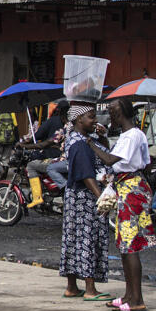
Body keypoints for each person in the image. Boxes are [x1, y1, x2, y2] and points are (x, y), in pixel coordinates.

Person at [105, 101, 152, 311]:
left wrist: (90, 143)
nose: (110, 118)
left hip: (131, 189)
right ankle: (129, 295)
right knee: (125, 244)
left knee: (130, 245)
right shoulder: (130, 135)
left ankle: (137, 299)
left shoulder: (132, 135)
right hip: (128, 186)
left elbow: (110, 159)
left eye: (111, 113)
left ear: (119, 113)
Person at [57, 111, 109, 300]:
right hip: (84, 197)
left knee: (73, 238)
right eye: (91, 117)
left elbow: (104, 154)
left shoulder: (85, 138)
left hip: (75, 197)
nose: (95, 121)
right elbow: (86, 174)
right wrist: (101, 197)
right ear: (79, 120)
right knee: (88, 238)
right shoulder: (79, 142)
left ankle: (72, 286)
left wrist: (102, 137)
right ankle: (90, 288)